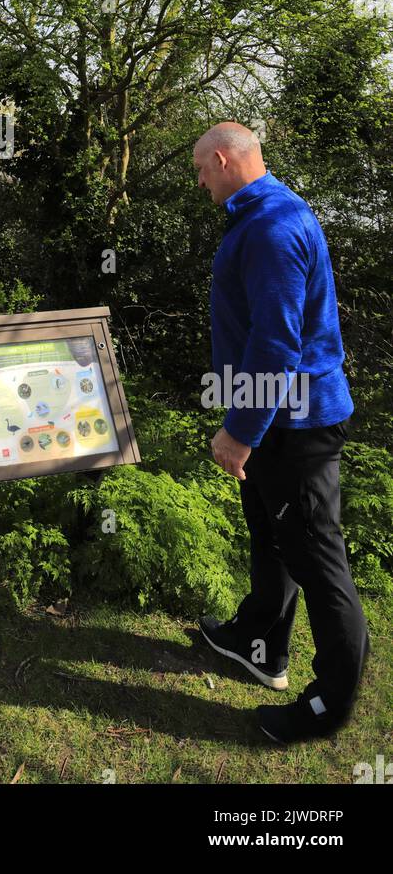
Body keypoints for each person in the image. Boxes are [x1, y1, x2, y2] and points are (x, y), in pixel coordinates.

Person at [192, 121, 369, 743]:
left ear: (221, 159)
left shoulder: (270, 226)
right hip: (272, 415)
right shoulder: (262, 215)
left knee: (317, 561)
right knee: (271, 535)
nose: (201, 183)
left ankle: (329, 707)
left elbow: (276, 342)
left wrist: (239, 432)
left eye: (201, 171)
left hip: (295, 421)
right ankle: (260, 642)